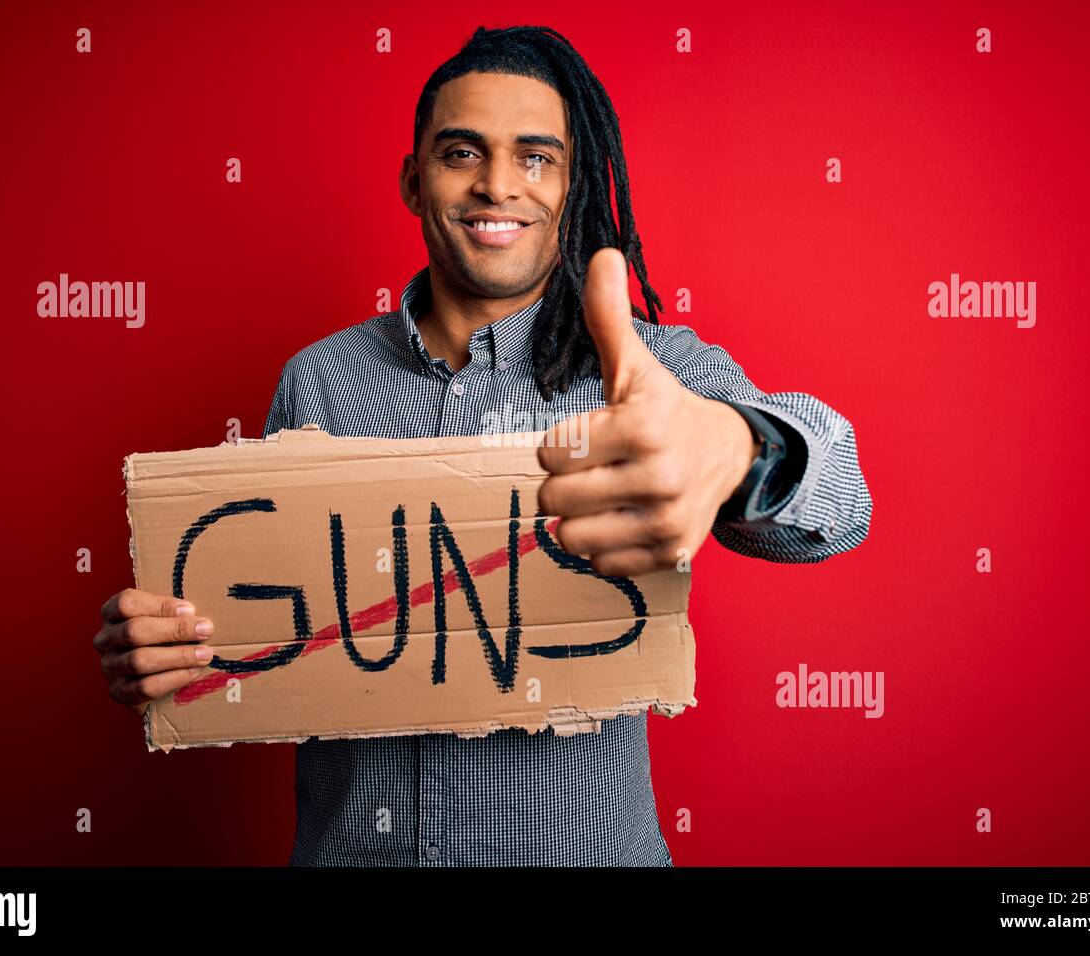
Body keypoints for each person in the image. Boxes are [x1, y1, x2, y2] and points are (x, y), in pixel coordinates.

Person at [94, 25, 872, 866]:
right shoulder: (316, 381)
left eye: (536, 158)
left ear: (571, 187)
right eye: (462, 153)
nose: (498, 185)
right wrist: (171, 650)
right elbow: (282, 632)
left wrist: (737, 444)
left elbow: (844, 502)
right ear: (413, 179)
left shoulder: (648, 372)